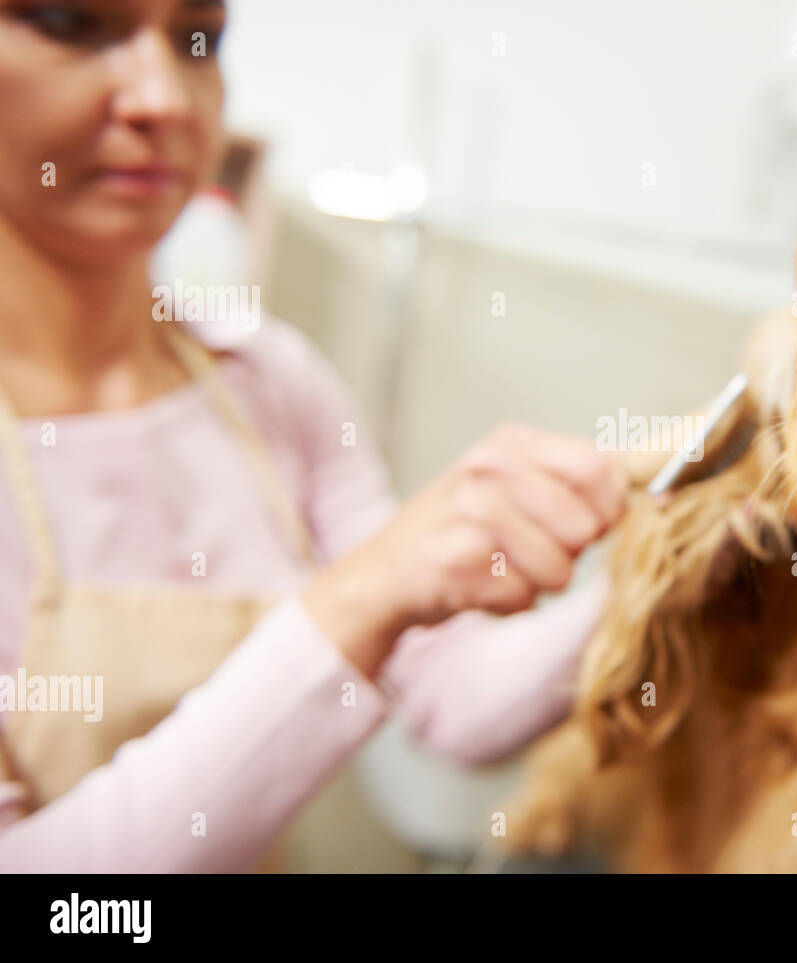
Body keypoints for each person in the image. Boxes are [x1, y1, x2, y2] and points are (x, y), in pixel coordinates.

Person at [0, 0, 626, 871]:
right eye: (74, 22)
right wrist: (361, 597)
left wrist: (665, 563)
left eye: (197, 41)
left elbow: (455, 699)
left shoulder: (269, 382)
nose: (164, 100)